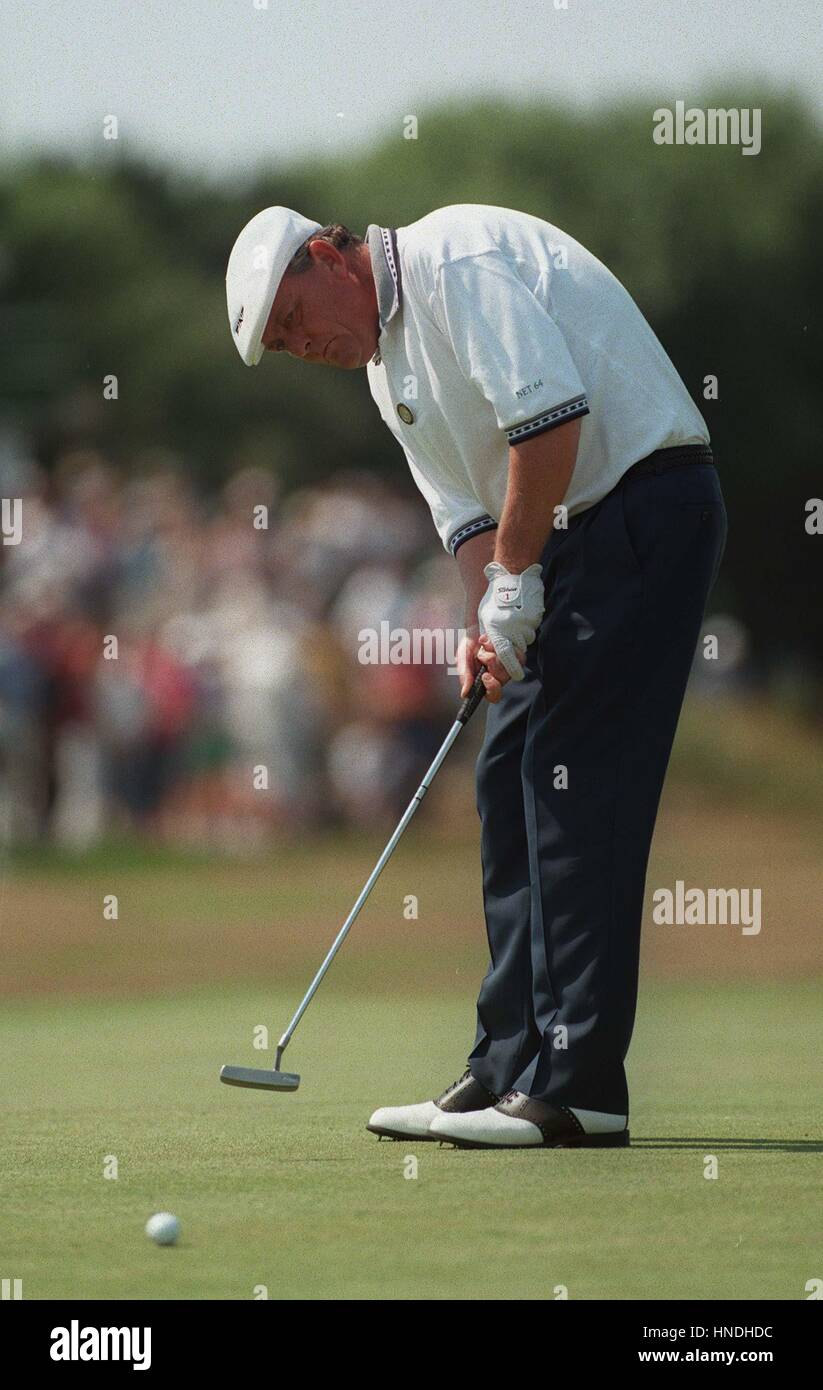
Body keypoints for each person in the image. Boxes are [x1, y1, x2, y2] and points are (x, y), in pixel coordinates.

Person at [225, 203, 726, 1149]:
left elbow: (548, 423)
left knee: (571, 783)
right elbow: (464, 514)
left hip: (640, 509)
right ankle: (506, 1067)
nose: (306, 347)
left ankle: (578, 1087)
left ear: (327, 255)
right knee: (507, 775)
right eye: (286, 347)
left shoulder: (455, 257)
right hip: (564, 540)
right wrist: (487, 618)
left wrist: (512, 580)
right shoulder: (388, 370)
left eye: (294, 320)